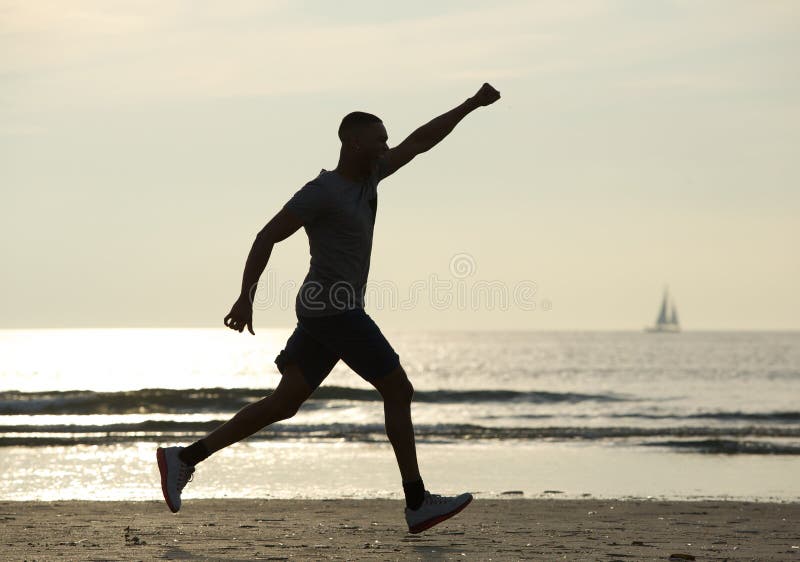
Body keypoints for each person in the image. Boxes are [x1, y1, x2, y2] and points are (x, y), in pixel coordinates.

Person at [157, 83, 501, 534]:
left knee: (285, 402)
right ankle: (417, 501)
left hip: (324, 310)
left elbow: (419, 142)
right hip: (334, 310)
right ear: (353, 142)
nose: (385, 147)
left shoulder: (371, 177)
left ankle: (183, 458)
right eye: (378, 140)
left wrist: (471, 105)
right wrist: (246, 296)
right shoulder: (322, 191)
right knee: (398, 391)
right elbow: (267, 236)